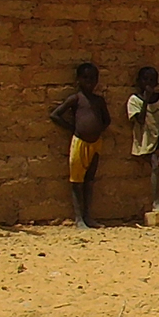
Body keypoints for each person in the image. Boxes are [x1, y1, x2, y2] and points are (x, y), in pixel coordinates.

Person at [49, 62, 111, 229]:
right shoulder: (75, 99)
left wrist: (96, 129)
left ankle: (88, 216)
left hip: (95, 144)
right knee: (77, 181)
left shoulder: (98, 101)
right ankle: (78, 218)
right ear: (78, 80)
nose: (89, 81)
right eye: (85, 78)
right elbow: (55, 115)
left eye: (92, 78)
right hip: (79, 143)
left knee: (89, 180)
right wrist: (73, 128)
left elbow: (107, 120)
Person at [127, 66, 159, 213]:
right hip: (145, 142)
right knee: (154, 166)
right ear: (139, 82)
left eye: (151, 80)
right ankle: (156, 202)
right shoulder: (134, 100)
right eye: (145, 80)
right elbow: (140, 120)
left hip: (158, 138)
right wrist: (146, 100)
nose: (148, 83)